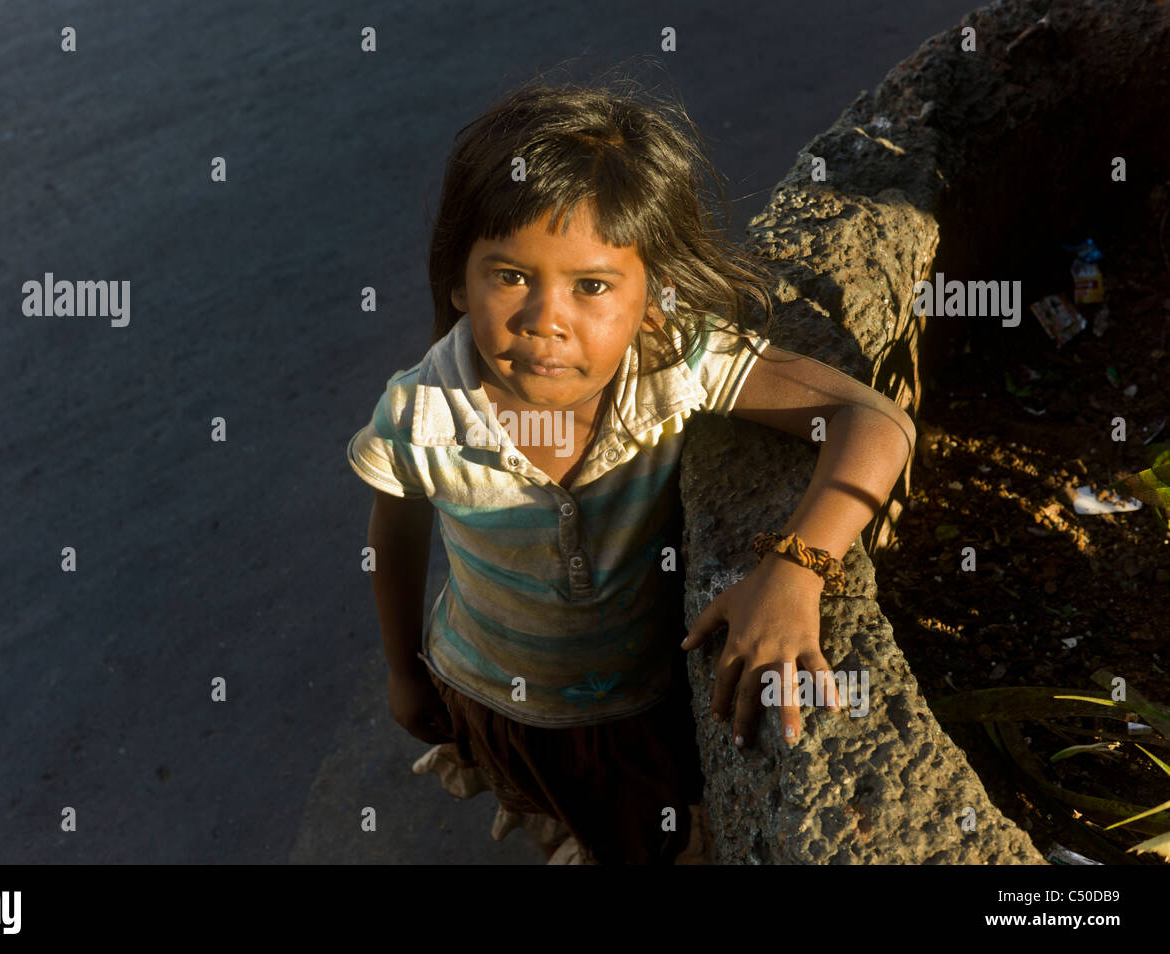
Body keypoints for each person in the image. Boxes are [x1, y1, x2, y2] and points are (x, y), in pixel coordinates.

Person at [347, 76, 916, 864]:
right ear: (457, 279)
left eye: (591, 286)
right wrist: (402, 671)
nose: (546, 318)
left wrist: (796, 570)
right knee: (591, 821)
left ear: (655, 297)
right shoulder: (421, 413)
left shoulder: (671, 363)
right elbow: (395, 533)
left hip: (643, 698)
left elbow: (874, 422)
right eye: (509, 275)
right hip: (496, 696)